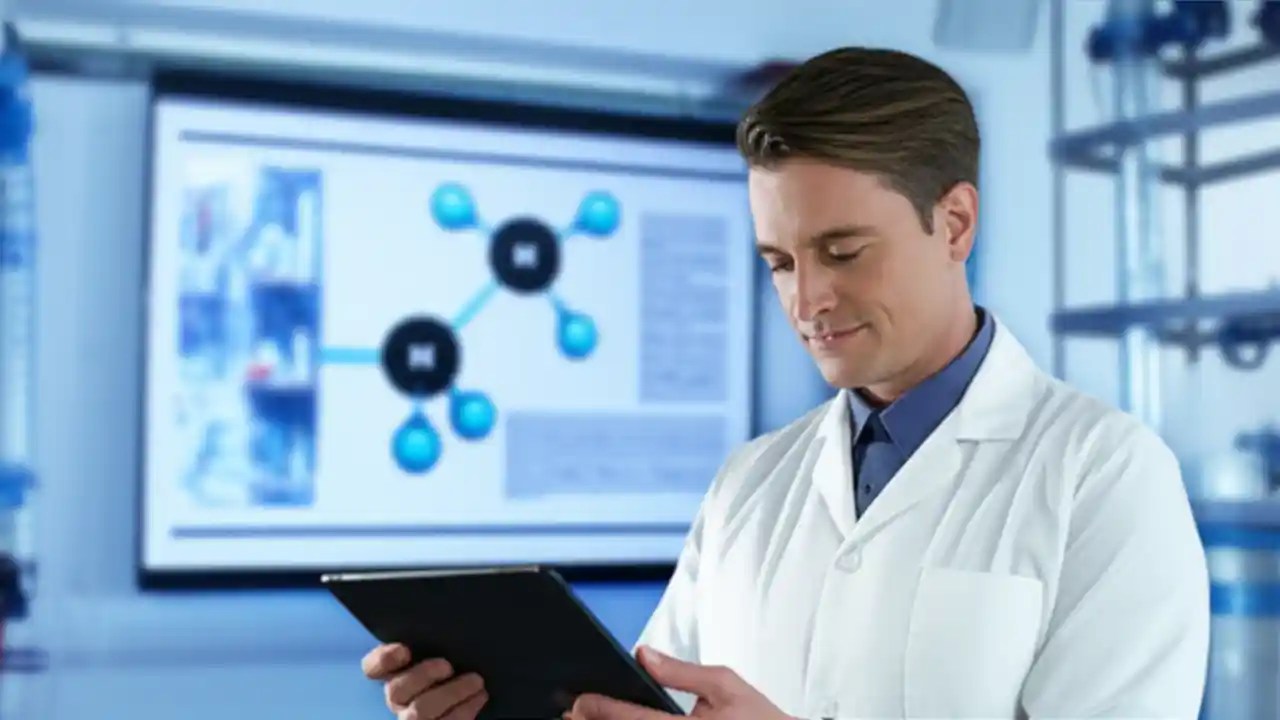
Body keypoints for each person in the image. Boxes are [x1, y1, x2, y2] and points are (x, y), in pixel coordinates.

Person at [361, 46, 1211, 720]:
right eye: (779, 262)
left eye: (843, 252)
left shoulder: (1105, 476)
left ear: (954, 222)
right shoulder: (750, 485)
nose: (807, 301)